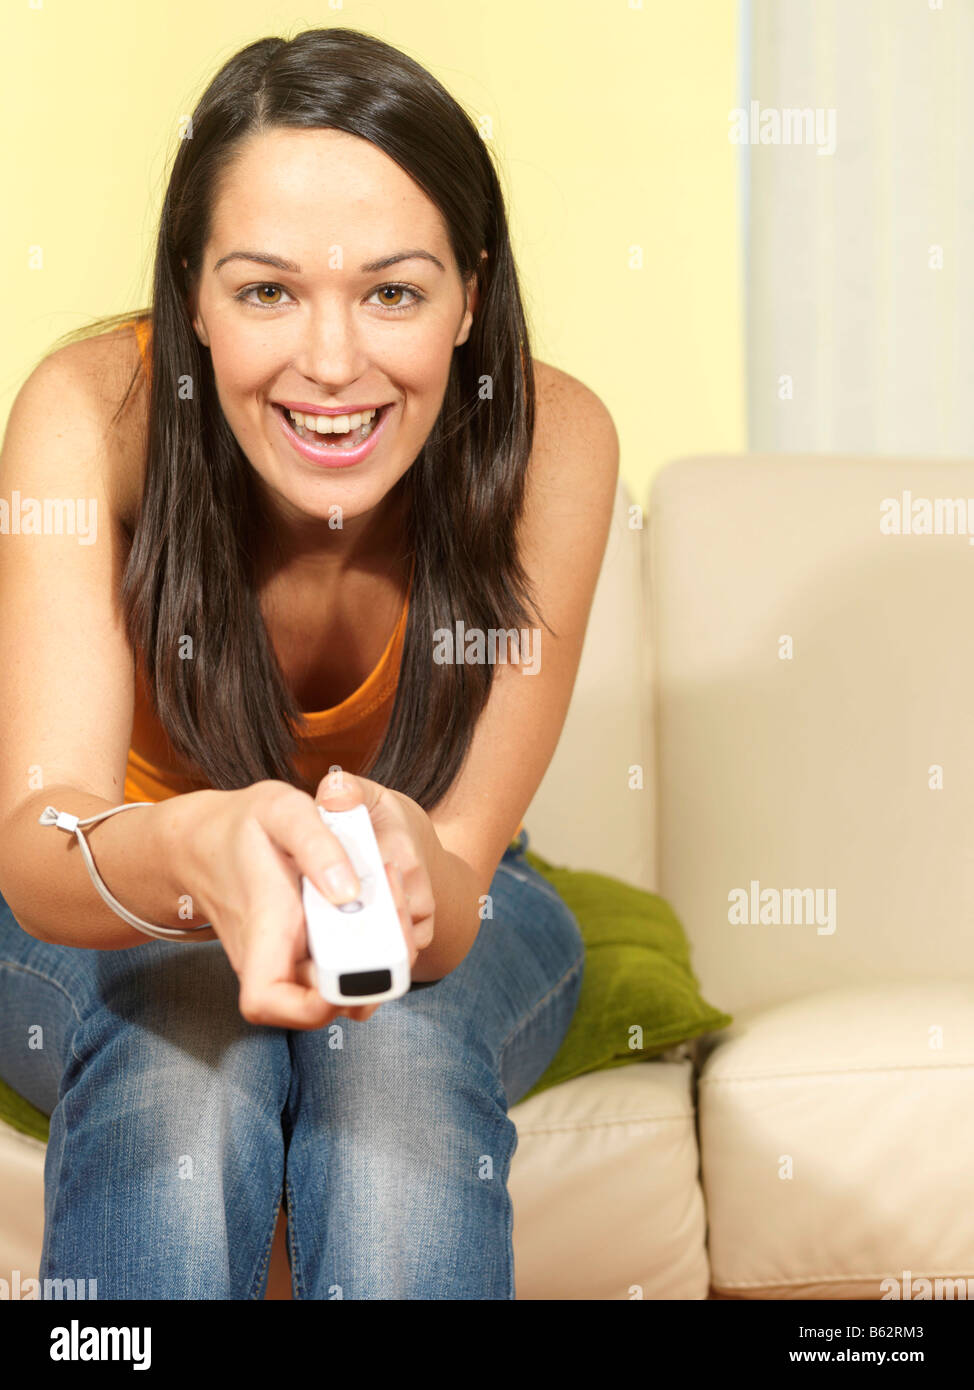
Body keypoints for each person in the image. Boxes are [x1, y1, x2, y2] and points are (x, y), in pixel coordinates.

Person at [0, 27, 618, 1299]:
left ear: (467, 295)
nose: (330, 365)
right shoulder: (87, 417)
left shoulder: (553, 443)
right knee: (181, 1055)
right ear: (191, 293)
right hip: (115, 891)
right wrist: (195, 853)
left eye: (393, 290)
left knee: (390, 1064)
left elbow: (460, 848)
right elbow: (37, 836)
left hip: (458, 887)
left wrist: (400, 873)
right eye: (265, 290)